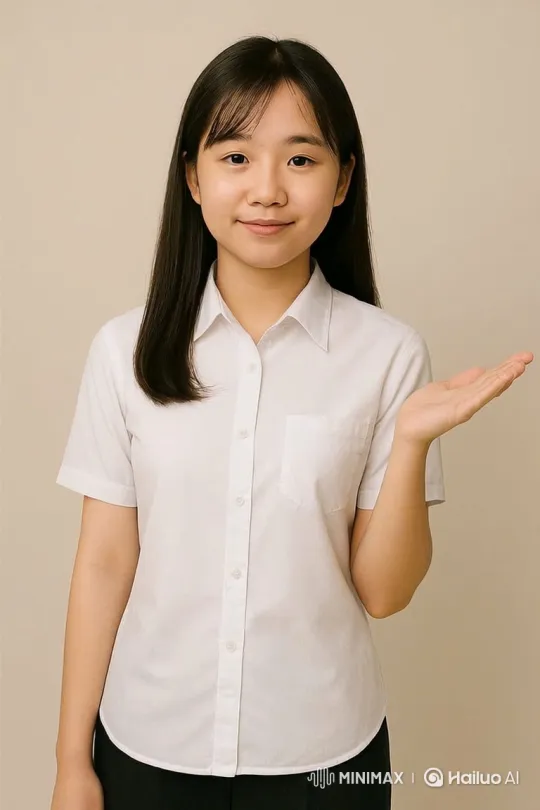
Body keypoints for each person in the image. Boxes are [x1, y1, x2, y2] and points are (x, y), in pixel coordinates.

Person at [50, 34, 533, 810]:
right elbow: (105, 562)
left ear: (343, 180)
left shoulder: (388, 354)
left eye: (301, 160)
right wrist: (74, 761)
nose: (267, 189)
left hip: (324, 757)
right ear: (192, 176)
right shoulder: (123, 352)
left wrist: (411, 442)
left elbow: (384, 592)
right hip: (147, 745)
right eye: (235, 157)